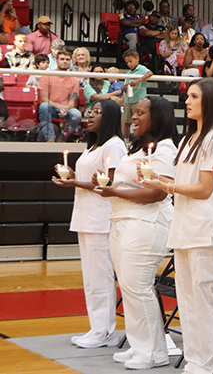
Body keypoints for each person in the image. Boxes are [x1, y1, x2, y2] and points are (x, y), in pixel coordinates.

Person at [138, 78, 213, 374]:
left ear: (211, 101)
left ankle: (211, 362)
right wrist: (159, 182)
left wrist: (170, 186)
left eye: (194, 96)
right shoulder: (189, 138)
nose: (187, 101)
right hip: (185, 226)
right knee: (188, 300)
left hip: (206, 228)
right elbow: (186, 185)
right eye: (187, 96)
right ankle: (195, 359)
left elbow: (204, 189)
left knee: (205, 298)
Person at [95, 96, 178, 369]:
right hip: (124, 219)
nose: (134, 117)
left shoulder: (165, 149)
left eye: (141, 113)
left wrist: (115, 191)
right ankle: (141, 345)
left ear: (158, 117)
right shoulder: (138, 149)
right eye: (135, 111)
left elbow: (157, 192)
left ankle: (153, 353)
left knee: (138, 288)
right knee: (130, 288)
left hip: (147, 223)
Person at [51, 99, 127, 349]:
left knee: (100, 276)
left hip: (101, 218)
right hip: (85, 216)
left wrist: (75, 183)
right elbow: (91, 179)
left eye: (97, 112)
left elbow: (111, 184)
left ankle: (105, 331)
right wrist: (73, 177)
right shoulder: (94, 145)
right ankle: (97, 327)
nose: (90, 115)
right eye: (90, 111)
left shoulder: (114, 145)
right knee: (91, 277)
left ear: (110, 117)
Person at [37, 50, 81, 142]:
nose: (65, 61)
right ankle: (50, 138)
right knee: (44, 106)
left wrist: (66, 108)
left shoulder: (74, 79)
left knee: (77, 114)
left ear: (71, 62)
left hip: (66, 108)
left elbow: (72, 101)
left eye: (67, 59)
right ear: (56, 61)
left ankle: (62, 138)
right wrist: (60, 107)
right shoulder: (47, 75)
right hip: (52, 107)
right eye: (62, 59)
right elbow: (44, 99)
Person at [123, 50, 153, 138]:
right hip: (129, 100)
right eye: (127, 62)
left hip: (139, 100)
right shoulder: (128, 73)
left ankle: (141, 139)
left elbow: (150, 73)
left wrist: (138, 80)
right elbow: (125, 85)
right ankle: (126, 140)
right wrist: (125, 87)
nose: (129, 64)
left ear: (137, 59)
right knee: (126, 122)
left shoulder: (141, 68)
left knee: (140, 121)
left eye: (130, 61)